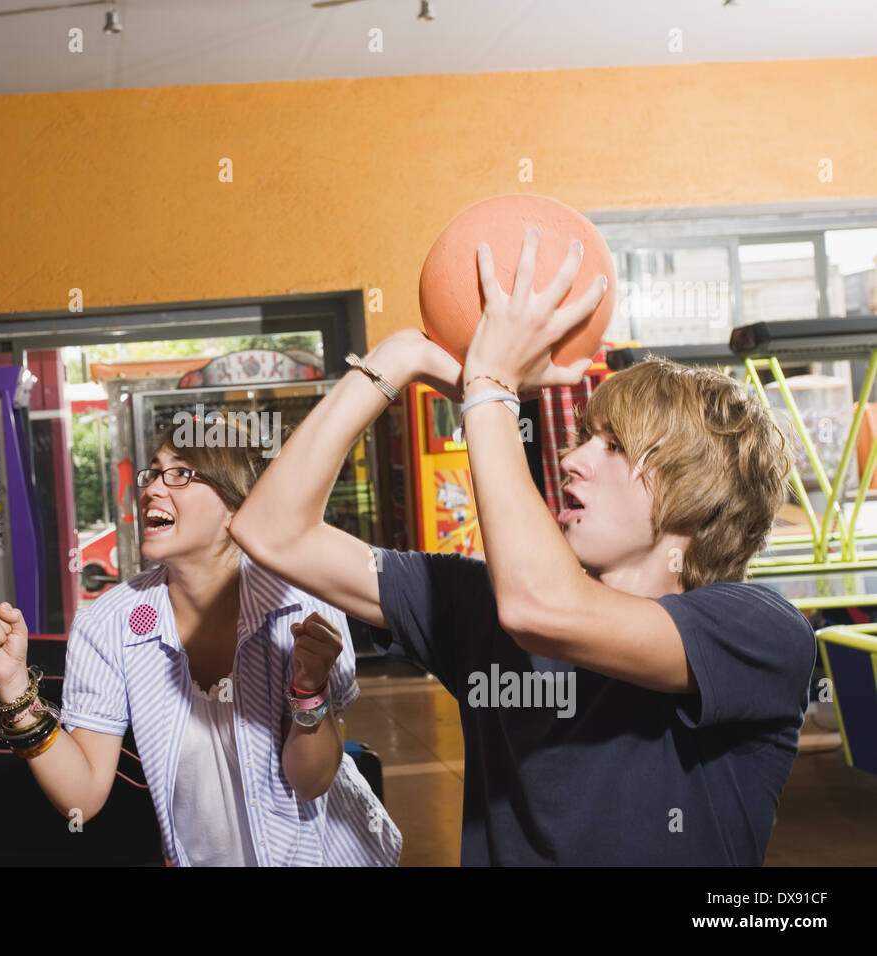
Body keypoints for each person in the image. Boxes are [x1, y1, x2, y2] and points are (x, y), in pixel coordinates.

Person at [231, 228, 816, 865]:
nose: (573, 459)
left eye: (614, 447)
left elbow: (544, 610)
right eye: (586, 436)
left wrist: (490, 392)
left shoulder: (758, 632)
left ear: (697, 492)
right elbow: (271, 530)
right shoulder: (477, 605)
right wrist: (400, 359)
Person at [0, 424, 401, 866]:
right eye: (153, 473)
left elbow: (310, 782)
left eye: (181, 473)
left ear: (238, 507)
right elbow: (82, 797)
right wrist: (15, 688)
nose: (153, 487)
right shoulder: (109, 624)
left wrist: (309, 688)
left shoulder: (300, 599)